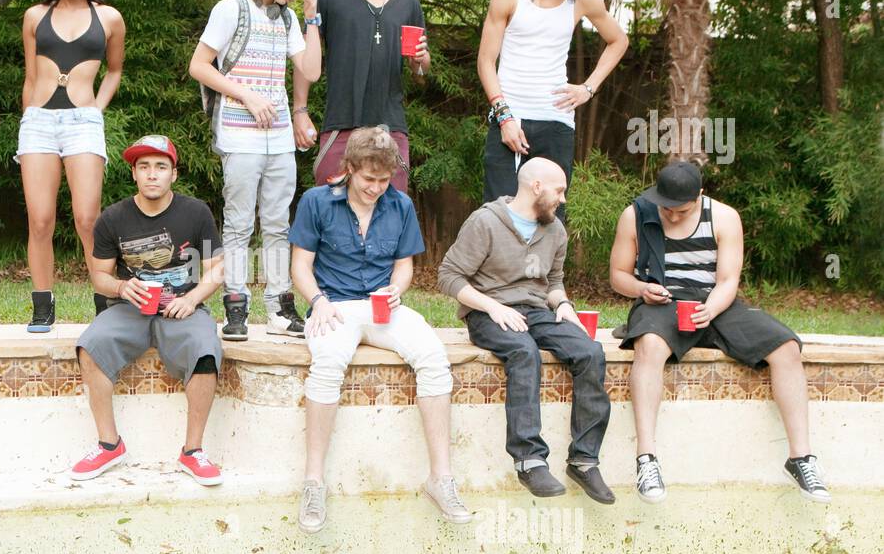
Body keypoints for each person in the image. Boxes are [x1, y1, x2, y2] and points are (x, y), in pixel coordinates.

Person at [609, 161, 828, 503]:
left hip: (715, 302)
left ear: (699, 196)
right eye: (666, 208)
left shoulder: (724, 217)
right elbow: (618, 276)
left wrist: (711, 309)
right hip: (660, 302)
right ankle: (646, 459)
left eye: (680, 210)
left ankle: (801, 458)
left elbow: (728, 281)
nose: (673, 216)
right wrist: (641, 289)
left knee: (786, 347)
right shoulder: (635, 215)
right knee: (649, 346)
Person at [288, 127, 464, 532]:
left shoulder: (399, 205)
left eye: (384, 181)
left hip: (383, 304)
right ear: (348, 169)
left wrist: (396, 290)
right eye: (369, 180)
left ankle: (441, 478)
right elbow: (301, 265)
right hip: (334, 303)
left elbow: (405, 266)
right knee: (328, 361)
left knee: (434, 357)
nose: (376, 188)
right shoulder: (316, 202)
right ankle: (313, 482)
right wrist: (317, 302)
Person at [438, 157, 613, 503]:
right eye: (559, 191)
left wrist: (563, 306)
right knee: (523, 351)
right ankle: (529, 459)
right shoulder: (486, 222)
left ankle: (584, 459)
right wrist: (492, 306)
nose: (563, 199)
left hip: (536, 310)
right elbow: (448, 276)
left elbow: (554, 282)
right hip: (487, 311)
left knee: (590, 351)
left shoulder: (555, 231)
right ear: (537, 187)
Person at [70, 135, 226, 486]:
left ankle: (192, 451)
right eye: (144, 167)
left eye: (160, 166)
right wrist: (123, 287)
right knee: (90, 346)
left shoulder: (196, 212)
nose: (152, 174)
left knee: (205, 350)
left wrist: (192, 299)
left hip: (181, 306)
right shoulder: (113, 218)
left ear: (173, 173)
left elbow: (217, 268)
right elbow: (98, 276)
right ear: (134, 174)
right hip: (131, 308)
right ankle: (109, 444)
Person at [189, 0, 322, 341]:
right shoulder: (232, 9)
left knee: (279, 223)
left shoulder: (289, 20)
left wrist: (312, 18)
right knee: (239, 224)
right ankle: (236, 306)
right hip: (239, 133)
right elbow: (198, 65)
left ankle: (280, 308)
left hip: (279, 136)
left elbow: (311, 71)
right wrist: (245, 94)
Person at [477, 0, 628, 219]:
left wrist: (588, 88)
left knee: (549, 213)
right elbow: (485, 61)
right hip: (510, 116)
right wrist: (504, 115)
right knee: (497, 214)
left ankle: (544, 269)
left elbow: (619, 40)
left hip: (556, 119)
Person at [17, 0, 126, 331]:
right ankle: (43, 305)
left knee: (86, 218)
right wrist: (28, 117)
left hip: (83, 123)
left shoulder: (109, 17)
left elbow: (114, 70)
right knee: (40, 219)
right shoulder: (34, 16)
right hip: (39, 124)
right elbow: (31, 76)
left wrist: (96, 107)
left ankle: (104, 301)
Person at [292, 0, 431, 193]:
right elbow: (307, 55)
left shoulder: (408, 2)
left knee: (391, 211)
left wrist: (420, 62)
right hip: (341, 123)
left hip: (390, 126)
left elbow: (421, 73)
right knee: (332, 208)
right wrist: (300, 110)